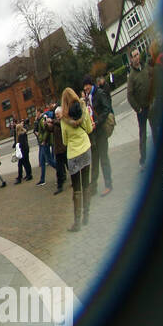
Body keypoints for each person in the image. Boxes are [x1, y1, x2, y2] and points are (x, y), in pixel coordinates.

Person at [61, 88, 94, 232]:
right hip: (86, 149)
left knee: (77, 189)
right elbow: (88, 129)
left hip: (73, 154)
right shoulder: (83, 109)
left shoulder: (63, 119)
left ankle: (77, 222)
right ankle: (86, 215)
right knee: (86, 184)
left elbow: (65, 140)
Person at [126, 46, 155, 170]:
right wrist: (138, 109)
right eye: (134, 56)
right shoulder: (132, 76)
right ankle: (143, 160)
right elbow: (129, 95)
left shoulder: (146, 68)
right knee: (143, 134)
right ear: (131, 59)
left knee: (156, 129)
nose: (137, 57)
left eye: (137, 54)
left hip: (151, 105)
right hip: (142, 110)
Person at [89, 74, 115, 196]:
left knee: (104, 158)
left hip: (101, 132)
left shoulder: (99, 93)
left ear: (90, 85)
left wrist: (98, 122)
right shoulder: (89, 97)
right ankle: (93, 187)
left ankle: (108, 184)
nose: (85, 90)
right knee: (95, 160)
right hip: (94, 134)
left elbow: (107, 108)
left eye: (86, 87)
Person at [35, 107, 57, 185]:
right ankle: (42, 179)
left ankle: (60, 171)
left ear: (38, 112)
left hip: (45, 143)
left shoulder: (42, 119)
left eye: (36, 112)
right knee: (43, 161)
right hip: (43, 143)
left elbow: (46, 130)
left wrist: (44, 140)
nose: (35, 114)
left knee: (49, 160)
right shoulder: (40, 119)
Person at [52, 105, 69, 194]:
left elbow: (61, 125)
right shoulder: (56, 122)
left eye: (58, 114)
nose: (57, 116)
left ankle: (75, 180)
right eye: (56, 114)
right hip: (58, 150)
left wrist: (53, 121)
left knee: (69, 166)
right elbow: (51, 129)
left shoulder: (63, 121)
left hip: (64, 148)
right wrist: (47, 124)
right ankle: (60, 185)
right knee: (59, 170)